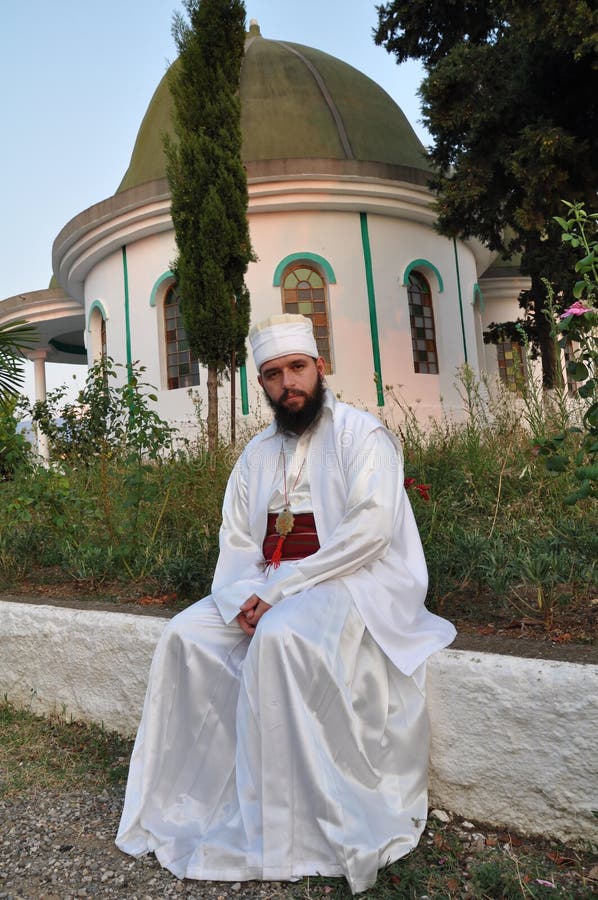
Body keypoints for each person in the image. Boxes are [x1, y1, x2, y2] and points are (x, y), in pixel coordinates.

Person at [116, 313, 456, 894]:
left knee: (280, 637)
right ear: (263, 385)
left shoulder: (361, 435)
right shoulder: (254, 455)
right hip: (268, 585)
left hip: (356, 581)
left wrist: (278, 593)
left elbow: (369, 533)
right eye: (272, 375)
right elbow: (237, 541)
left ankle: (294, 829)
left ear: (319, 367)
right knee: (184, 635)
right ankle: (189, 801)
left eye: (297, 368)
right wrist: (242, 598)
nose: (287, 384)